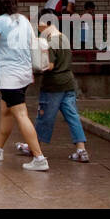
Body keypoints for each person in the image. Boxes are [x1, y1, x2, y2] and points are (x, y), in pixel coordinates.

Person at [0, 0, 48, 171]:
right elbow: (33, 43)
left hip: (10, 77)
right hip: (24, 74)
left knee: (21, 114)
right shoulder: (23, 20)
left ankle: (39, 158)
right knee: (6, 111)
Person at [18, 13, 89, 162]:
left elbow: (49, 66)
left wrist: (35, 67)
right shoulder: (64, 38)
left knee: (44, 117)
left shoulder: (50, 42)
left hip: (53, 85)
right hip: (68, 82)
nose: (38, 29)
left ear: (44, 23)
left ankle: (34, 148)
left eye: (39, 25)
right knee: (72, 116)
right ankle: (81, 150)